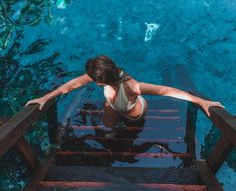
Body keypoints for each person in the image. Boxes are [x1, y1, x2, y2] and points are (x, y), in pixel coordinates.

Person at [25, 54, 225, 127]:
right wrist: (46, 97)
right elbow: (73, 84)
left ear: (101, 81)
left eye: (93, 80)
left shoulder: (132, 87)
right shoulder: (104, 72)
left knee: (133, 126)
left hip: (133, 111)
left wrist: (201, 102)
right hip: (112, 105)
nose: (90, 81)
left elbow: (167, 90)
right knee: (109, 128)